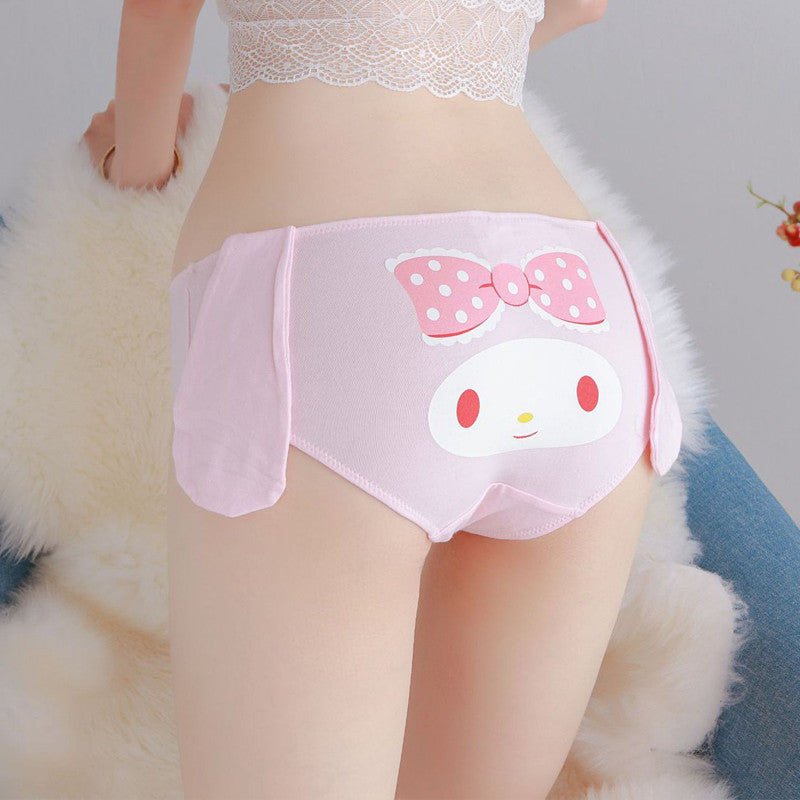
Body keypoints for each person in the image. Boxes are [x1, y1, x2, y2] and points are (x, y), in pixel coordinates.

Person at [82, 1, 683, 797]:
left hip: (335, 296)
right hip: (580, 297)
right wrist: (429, 59)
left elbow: (159, 15)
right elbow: (582, 3)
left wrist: (133, 158)